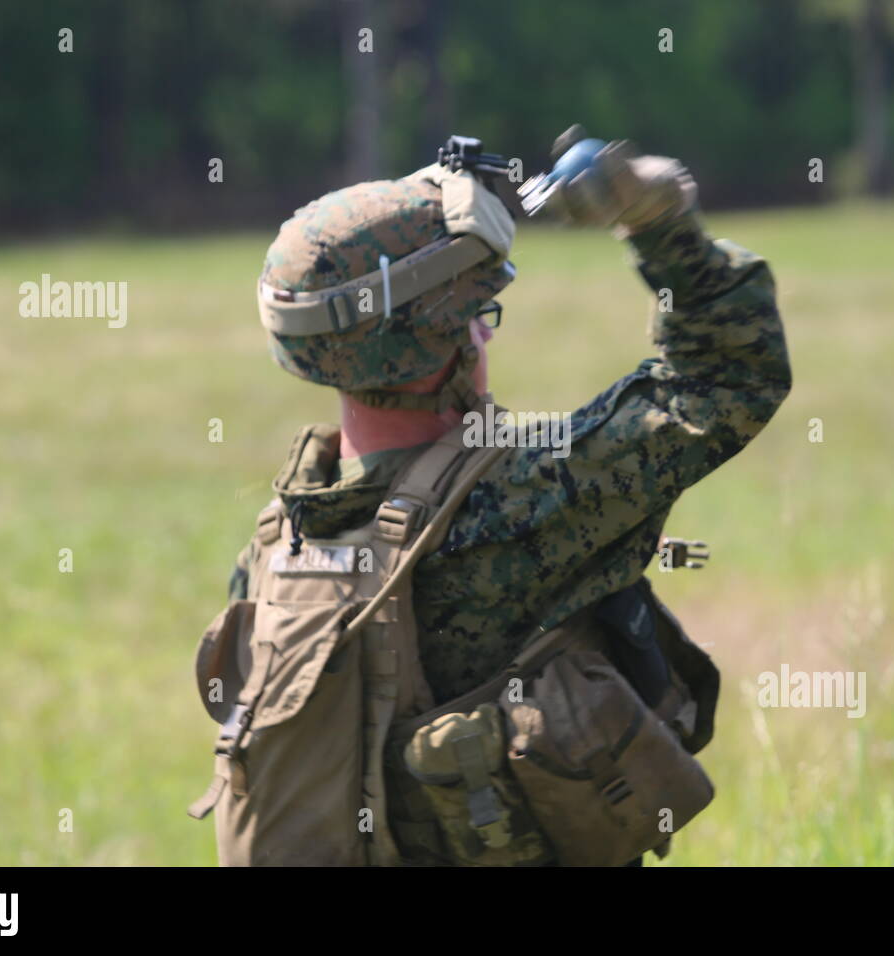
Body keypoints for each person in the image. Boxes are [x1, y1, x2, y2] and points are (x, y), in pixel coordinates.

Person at [193, 127, 791, 866]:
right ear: (437, 344)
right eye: (476, 315)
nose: (484, 332)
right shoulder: (524, 504)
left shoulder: (282, 538)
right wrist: (661, 216)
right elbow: (728, 377)